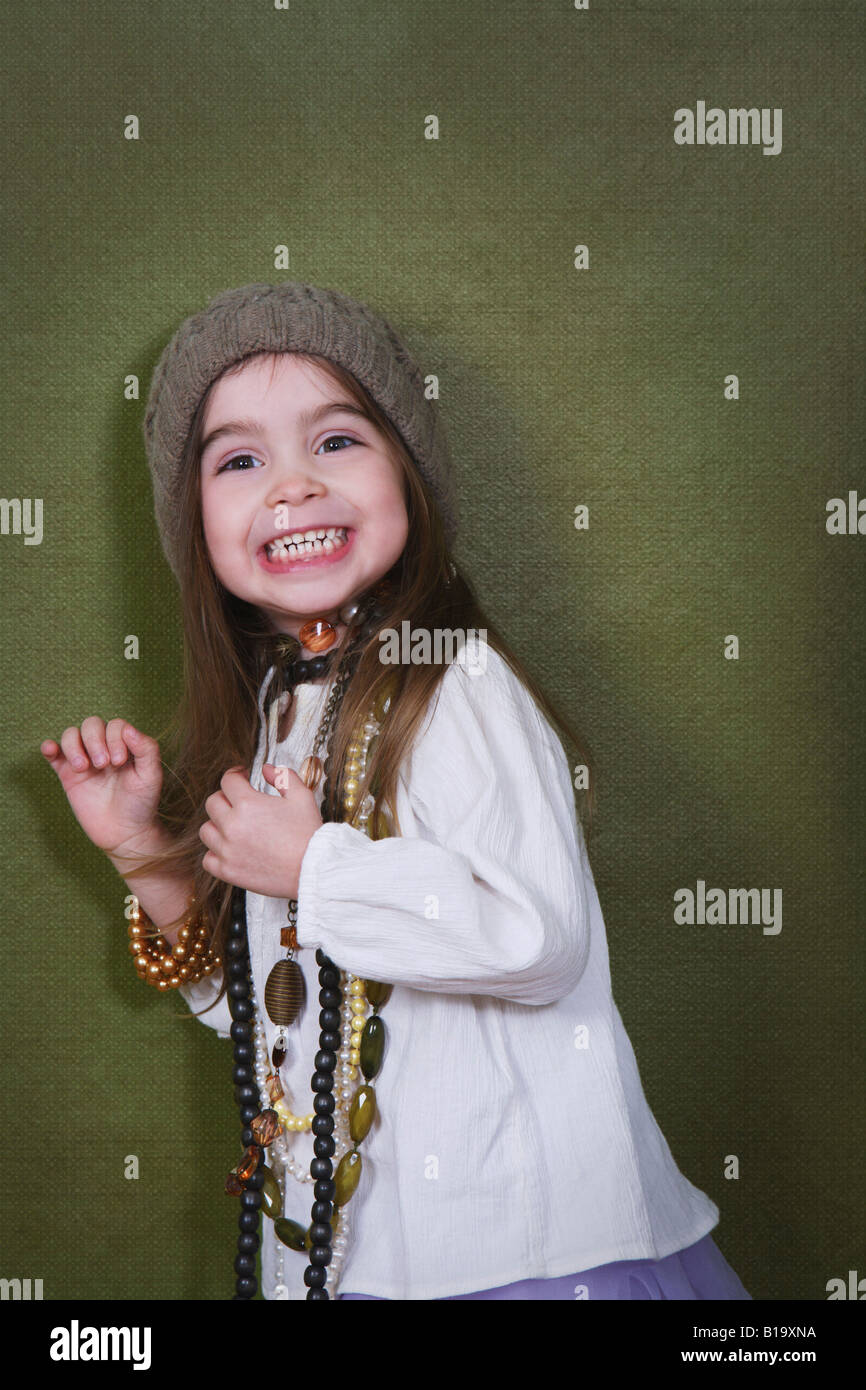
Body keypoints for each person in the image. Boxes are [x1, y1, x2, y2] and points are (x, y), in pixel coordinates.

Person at [40, 281, 752, 1302]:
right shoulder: (278, 708)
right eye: (240, 460)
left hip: (522, 1252)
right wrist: (144, 856)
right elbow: (285, 1013)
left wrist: (313, 864)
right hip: (354, 1259)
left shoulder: (457, 684)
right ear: (193, 523)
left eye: (335, 442)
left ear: (408, 478)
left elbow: (535, 938)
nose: (289, 487)